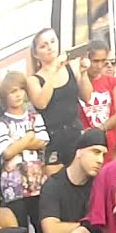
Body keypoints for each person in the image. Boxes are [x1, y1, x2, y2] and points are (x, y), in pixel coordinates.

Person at [0, 71, 49, 233]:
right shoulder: (0, 124)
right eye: (12, 91)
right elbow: (6, 152)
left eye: (20, 89)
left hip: (38, 185)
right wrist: (27, 139)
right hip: (14, 189)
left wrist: (18, 144)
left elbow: (43, 142)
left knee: (43, 230)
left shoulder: (35, 116)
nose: (17, 95)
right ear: (4, 96)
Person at [26, 28, 92, 173]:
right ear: (36, 54)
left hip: (75, 132)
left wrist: (84, 72)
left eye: (53, 41)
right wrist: (53, 71)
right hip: (53, 138)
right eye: (43, 46)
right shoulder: (33, 80)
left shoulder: (70, 68)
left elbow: (87, 97)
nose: (50, 47)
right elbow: (41, 103)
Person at [38, 128, 107, 233]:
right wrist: (87, 225)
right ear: (79, 152)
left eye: (103, 155)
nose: (100, 160)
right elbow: (51, 232)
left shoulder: (100, 184)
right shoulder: (53, 185)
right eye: (95, 152)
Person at [79, 38, 116, 155]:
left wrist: (100, 129)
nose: (99, 66)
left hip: (111, 143)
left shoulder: (113, 82)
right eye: (95, 61)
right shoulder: (78, 82)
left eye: (103, 61)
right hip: (88, 145)